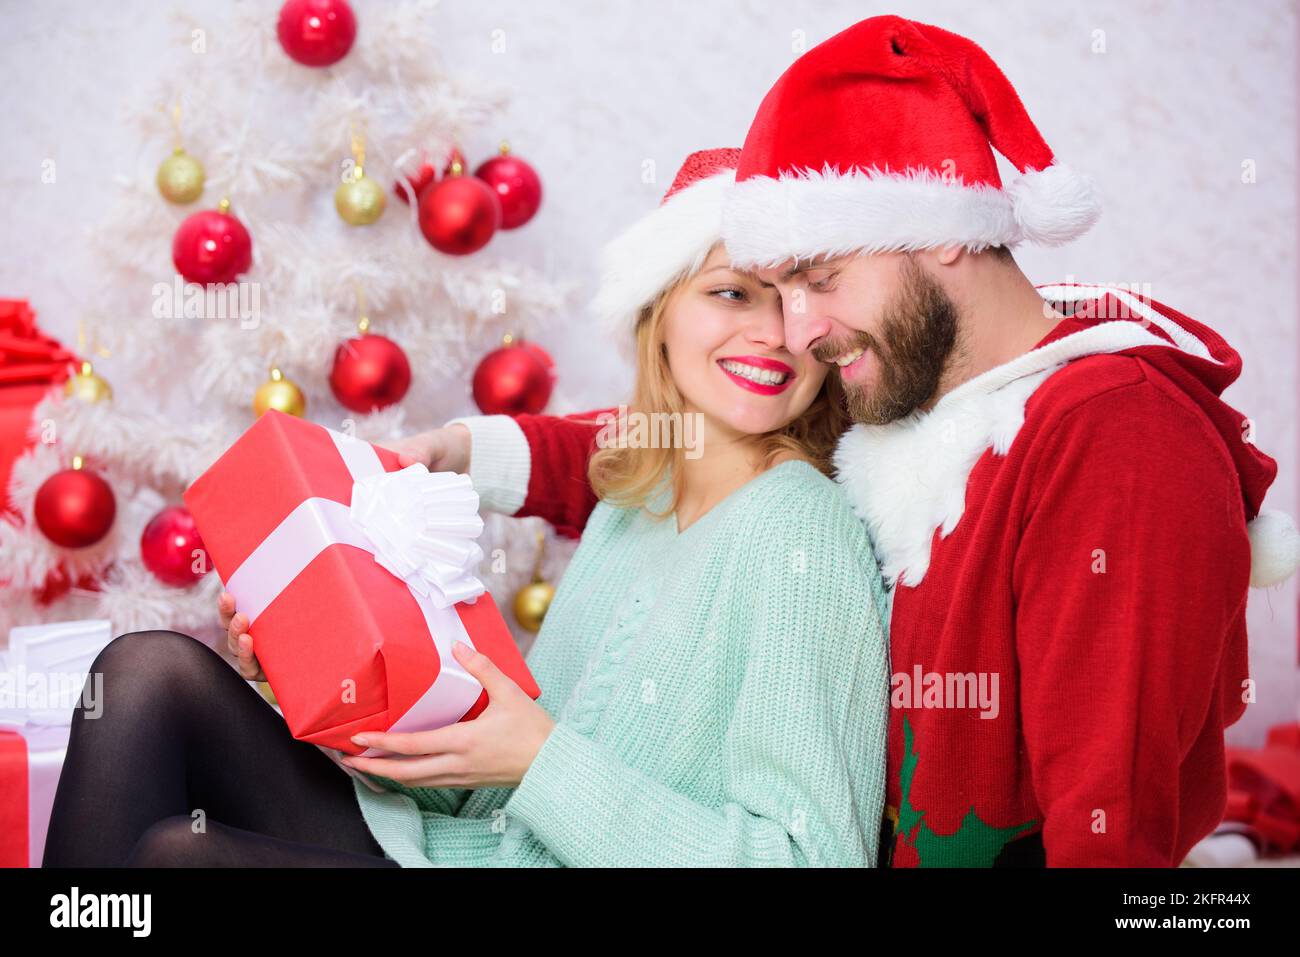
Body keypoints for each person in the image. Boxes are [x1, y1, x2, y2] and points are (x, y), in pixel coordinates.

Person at [402, 16, 1300, 866]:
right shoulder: (912, 391)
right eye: (771, 289)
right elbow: (678, 445)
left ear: (944, 231)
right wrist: (462, 451)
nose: (797, 333)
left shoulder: (1114, 436)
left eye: (820, 278)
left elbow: (1112, 836)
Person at [43, 149, 891, 868]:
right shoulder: (638, 501)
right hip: (458, 844)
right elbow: (489, 782)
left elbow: (811, 856)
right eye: (734, 293)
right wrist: (318, 679)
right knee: (143, 674)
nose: (777, 333)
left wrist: (542, 760)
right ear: (659, 309)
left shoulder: (800, 528)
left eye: (799, 300)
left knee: (181, 857)